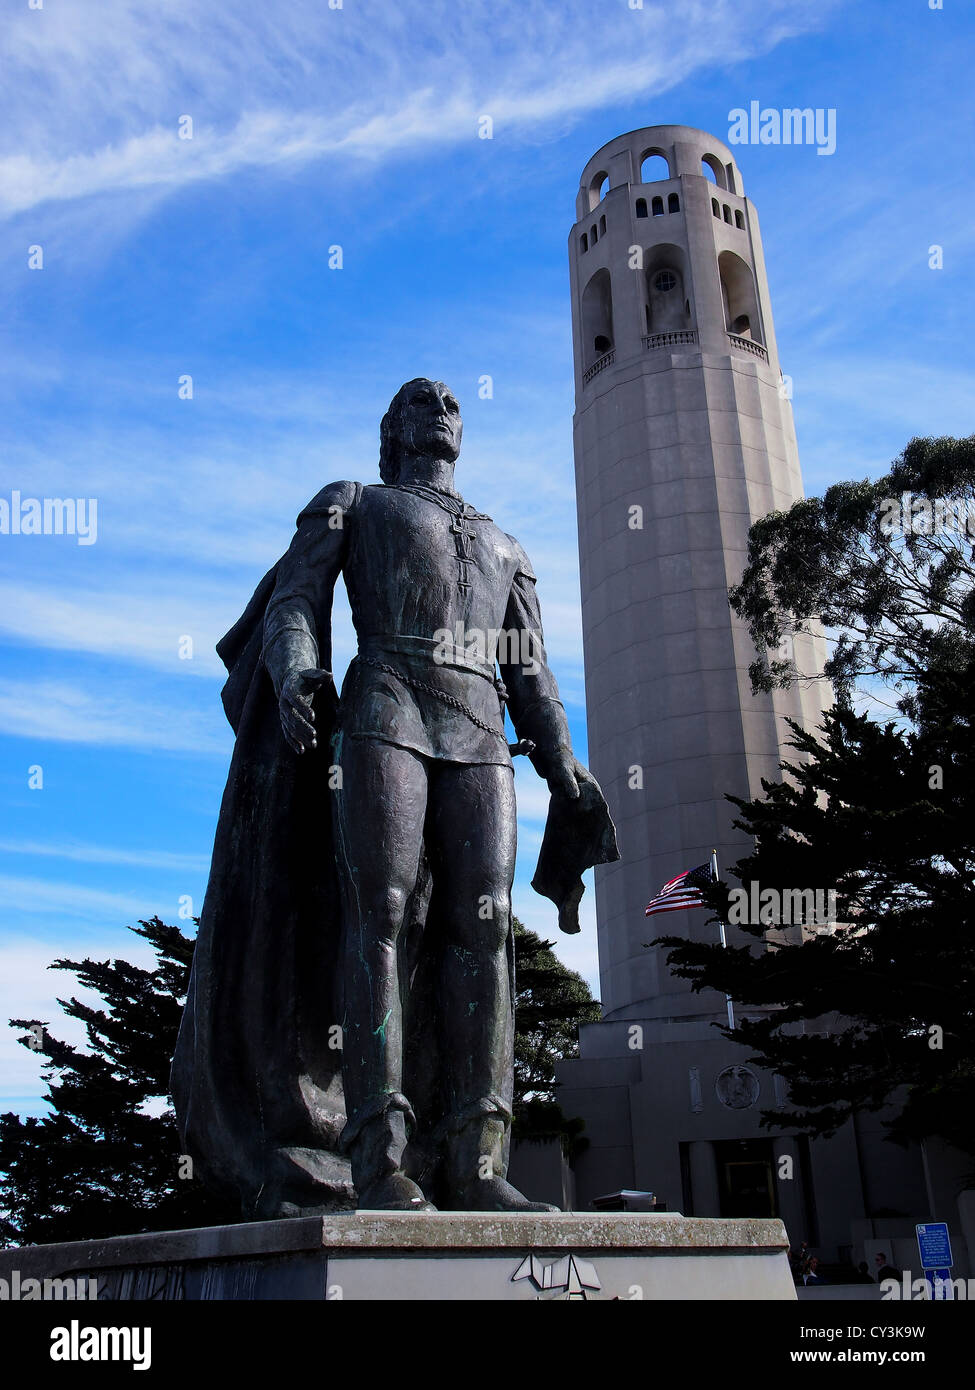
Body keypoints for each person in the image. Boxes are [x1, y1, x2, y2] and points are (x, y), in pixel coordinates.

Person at [171, 378, 618, 1218]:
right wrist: (298, 669)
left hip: (481, 730)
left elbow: (529, 670)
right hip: (385, 706)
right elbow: (296, 599)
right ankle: (378, 1156)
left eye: (452, 404)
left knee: (482, 928)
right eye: (422, 401)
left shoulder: (502, 541)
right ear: (394, 427)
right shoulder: (354, 502)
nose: (442, 408)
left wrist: (563, 764)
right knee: (378, 914)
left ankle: (477, 1161)